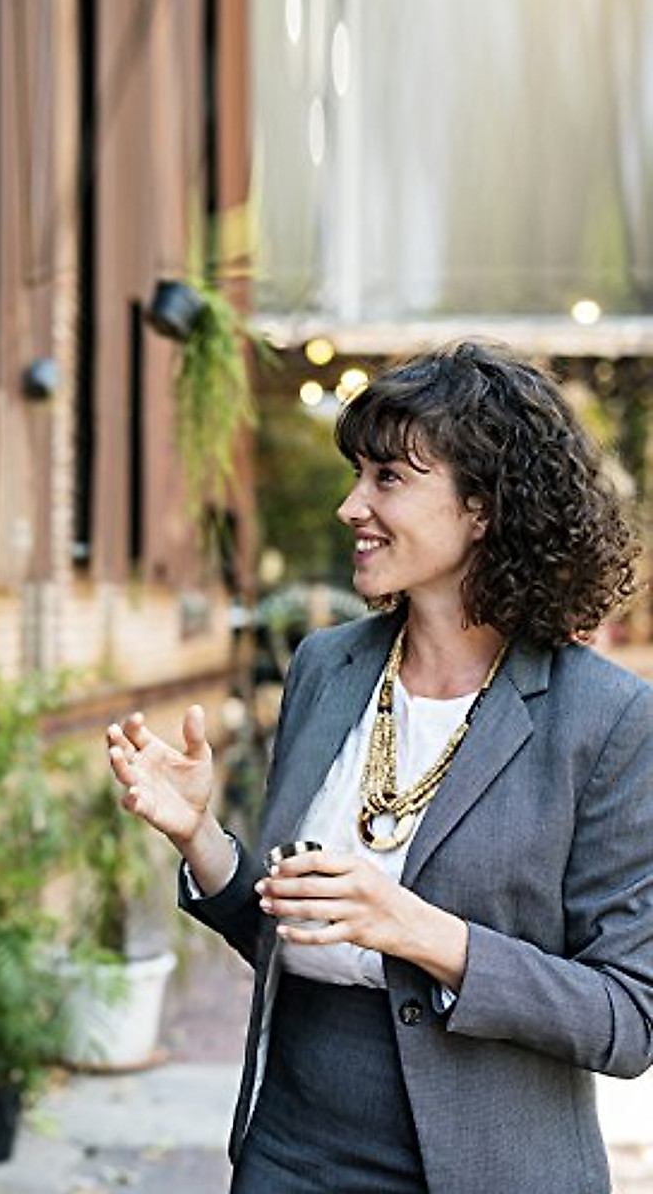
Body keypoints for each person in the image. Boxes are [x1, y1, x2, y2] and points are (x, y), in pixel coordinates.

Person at [107, 339, 653, 1193]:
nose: (349, 506)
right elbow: (291, 934)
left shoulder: (608, 719)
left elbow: (626, 1017)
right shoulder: (328, 667)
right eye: (356, 474)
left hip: (487, 1165)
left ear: (483, 507)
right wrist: (199, 834)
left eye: (389, 478)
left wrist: (423, 933)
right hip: (290, 1146)